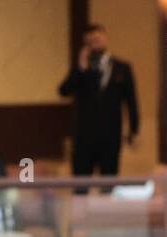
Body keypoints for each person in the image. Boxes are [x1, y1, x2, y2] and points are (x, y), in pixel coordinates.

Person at [58, 23, 139, 178]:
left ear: (104, 38)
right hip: (83, 136)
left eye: (97, 38)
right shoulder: (81, 69)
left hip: (110, 135)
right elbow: (63, 91)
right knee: (81, 183)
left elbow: (131, 100)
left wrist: (133, 130)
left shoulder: (122, 68)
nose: (95, 43)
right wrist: (80, 69)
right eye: (90, 41)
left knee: (108, 182)